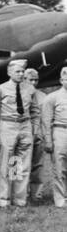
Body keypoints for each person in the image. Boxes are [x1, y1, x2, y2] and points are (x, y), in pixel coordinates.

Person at [0, 59, 35, 208]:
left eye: (22, 71)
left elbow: (35, 111)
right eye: (17, 71)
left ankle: (19, 199)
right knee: (7, 163)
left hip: (25, 125)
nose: (21, 74)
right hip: (8, 125)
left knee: (21, 164)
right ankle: (4, 198)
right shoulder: (0, 89)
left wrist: (32, 128)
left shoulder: (29, 89)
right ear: (9, 72)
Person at [41, 64, 67, 209]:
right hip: (60, 132)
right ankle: (60, 199)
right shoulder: (52, 97)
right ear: (61, 80)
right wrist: (48, 140)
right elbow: (46, 121)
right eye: (66, 77)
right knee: (59, 168)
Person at [24, 67, 49, 202]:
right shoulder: (19, 94)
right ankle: (15, 190)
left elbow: (45, 118)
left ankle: (36, 193)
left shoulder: (43, 97)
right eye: (30, 79)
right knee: (15, 162)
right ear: (24, 79)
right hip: (21, 132)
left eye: (36, 80)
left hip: (38, 133)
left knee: (38, 164)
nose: (33, 82)